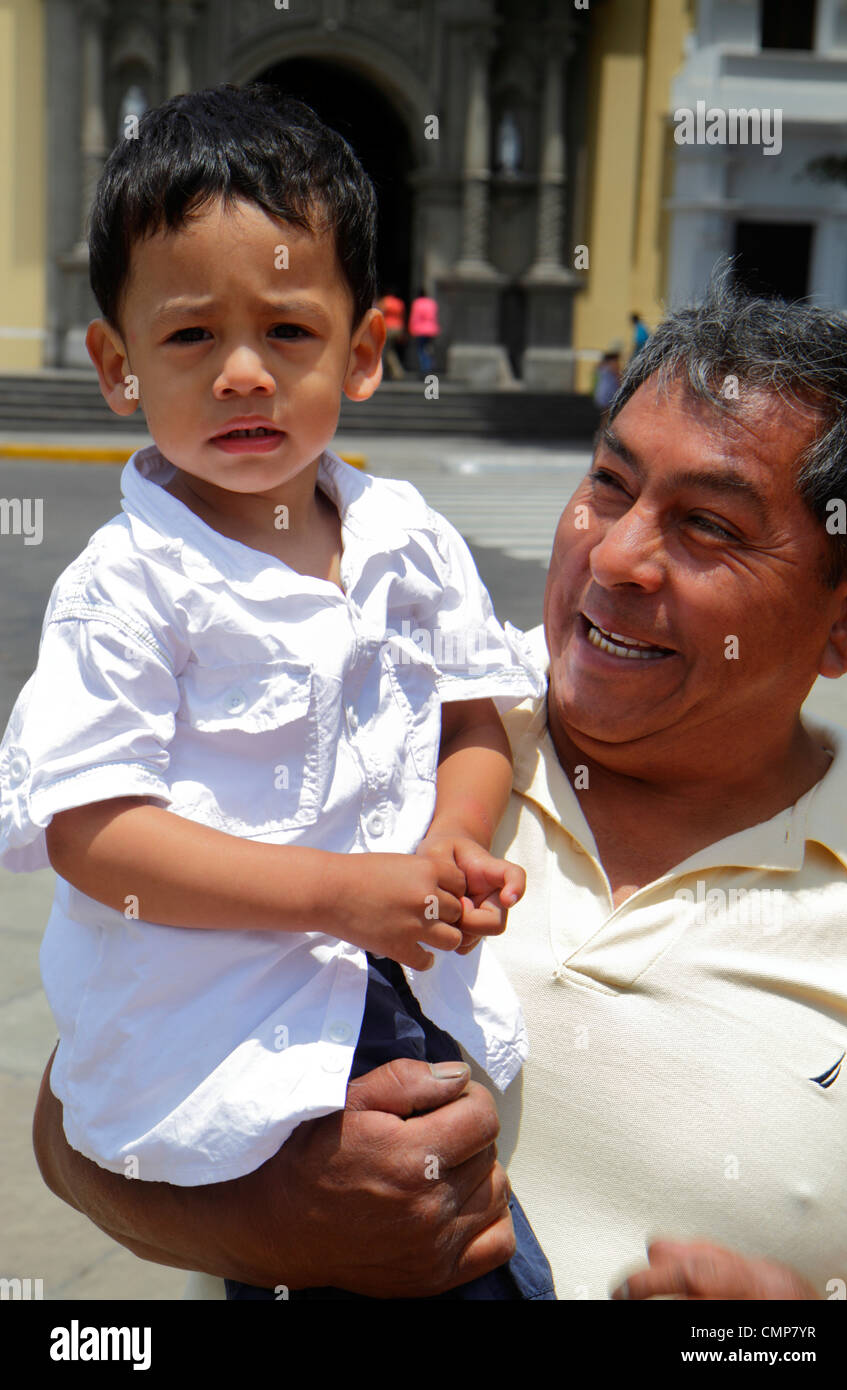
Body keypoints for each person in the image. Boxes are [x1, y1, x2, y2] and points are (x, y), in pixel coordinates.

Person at [32, 270, 847, 1302]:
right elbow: (70, 1120)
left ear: (846, 621)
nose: (615, 556)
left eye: (708, 526)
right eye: (608, 483)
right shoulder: (377, 731)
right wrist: (266, 1222)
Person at [0, 83, 555, 1301]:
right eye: (192, 336)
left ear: (363, 355)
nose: (244, 373)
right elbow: (95, 833)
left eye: (289, 334)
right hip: (228, 1047)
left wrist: (451, 847)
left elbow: (475, 716)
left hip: (407, 1001)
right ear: (116, 364)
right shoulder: (126, 588)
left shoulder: (407, 539)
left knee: (490, 1265)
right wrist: (345, 892)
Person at [408, 287, 440, 376]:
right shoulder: (432, 303)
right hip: (432, 329)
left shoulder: (417, 303)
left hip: (420, 330)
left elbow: (415, 317)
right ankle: (431, 365)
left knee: (421, 350)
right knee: (429, 349)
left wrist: (411, 329)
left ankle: (425, 369)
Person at [376, 287, 406, 380]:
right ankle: (393, 372)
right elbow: (402, 316)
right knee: (390, 350)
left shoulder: (385, 301)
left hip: (388, 327)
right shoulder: (399, 303)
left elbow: (379, 313)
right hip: (398, 327)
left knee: (386, 350)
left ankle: (396, 372)